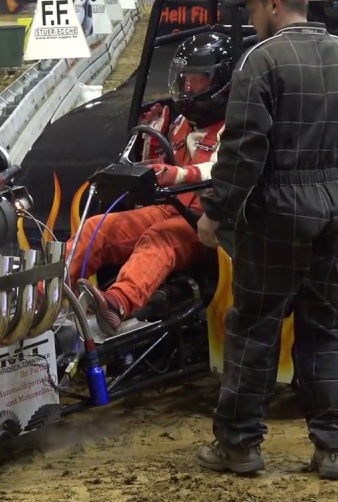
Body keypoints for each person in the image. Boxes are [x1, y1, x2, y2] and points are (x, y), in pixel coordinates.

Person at [192, 0, 338, 479]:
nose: (252, 19)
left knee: (255, 328)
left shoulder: (262, 60)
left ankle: (239, 444)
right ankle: (331, 448)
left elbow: (243, 149)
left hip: (277, 215)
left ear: (275, 4)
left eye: (253, 9)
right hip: (337, 211)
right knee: (324, 326)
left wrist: (216, 212)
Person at [69, 31, 236, 335]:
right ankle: (45, 296)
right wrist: (150, 141)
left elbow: (220, 170)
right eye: (184, 79)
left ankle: (117, 304)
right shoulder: (178, 122)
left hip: (210, 223)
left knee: (161, 236)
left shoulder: (236, 127)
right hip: (172, 208)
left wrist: (177, 174)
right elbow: (157, 162)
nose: (187, 88)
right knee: (97, 226)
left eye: (197, 80)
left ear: (219, 83)